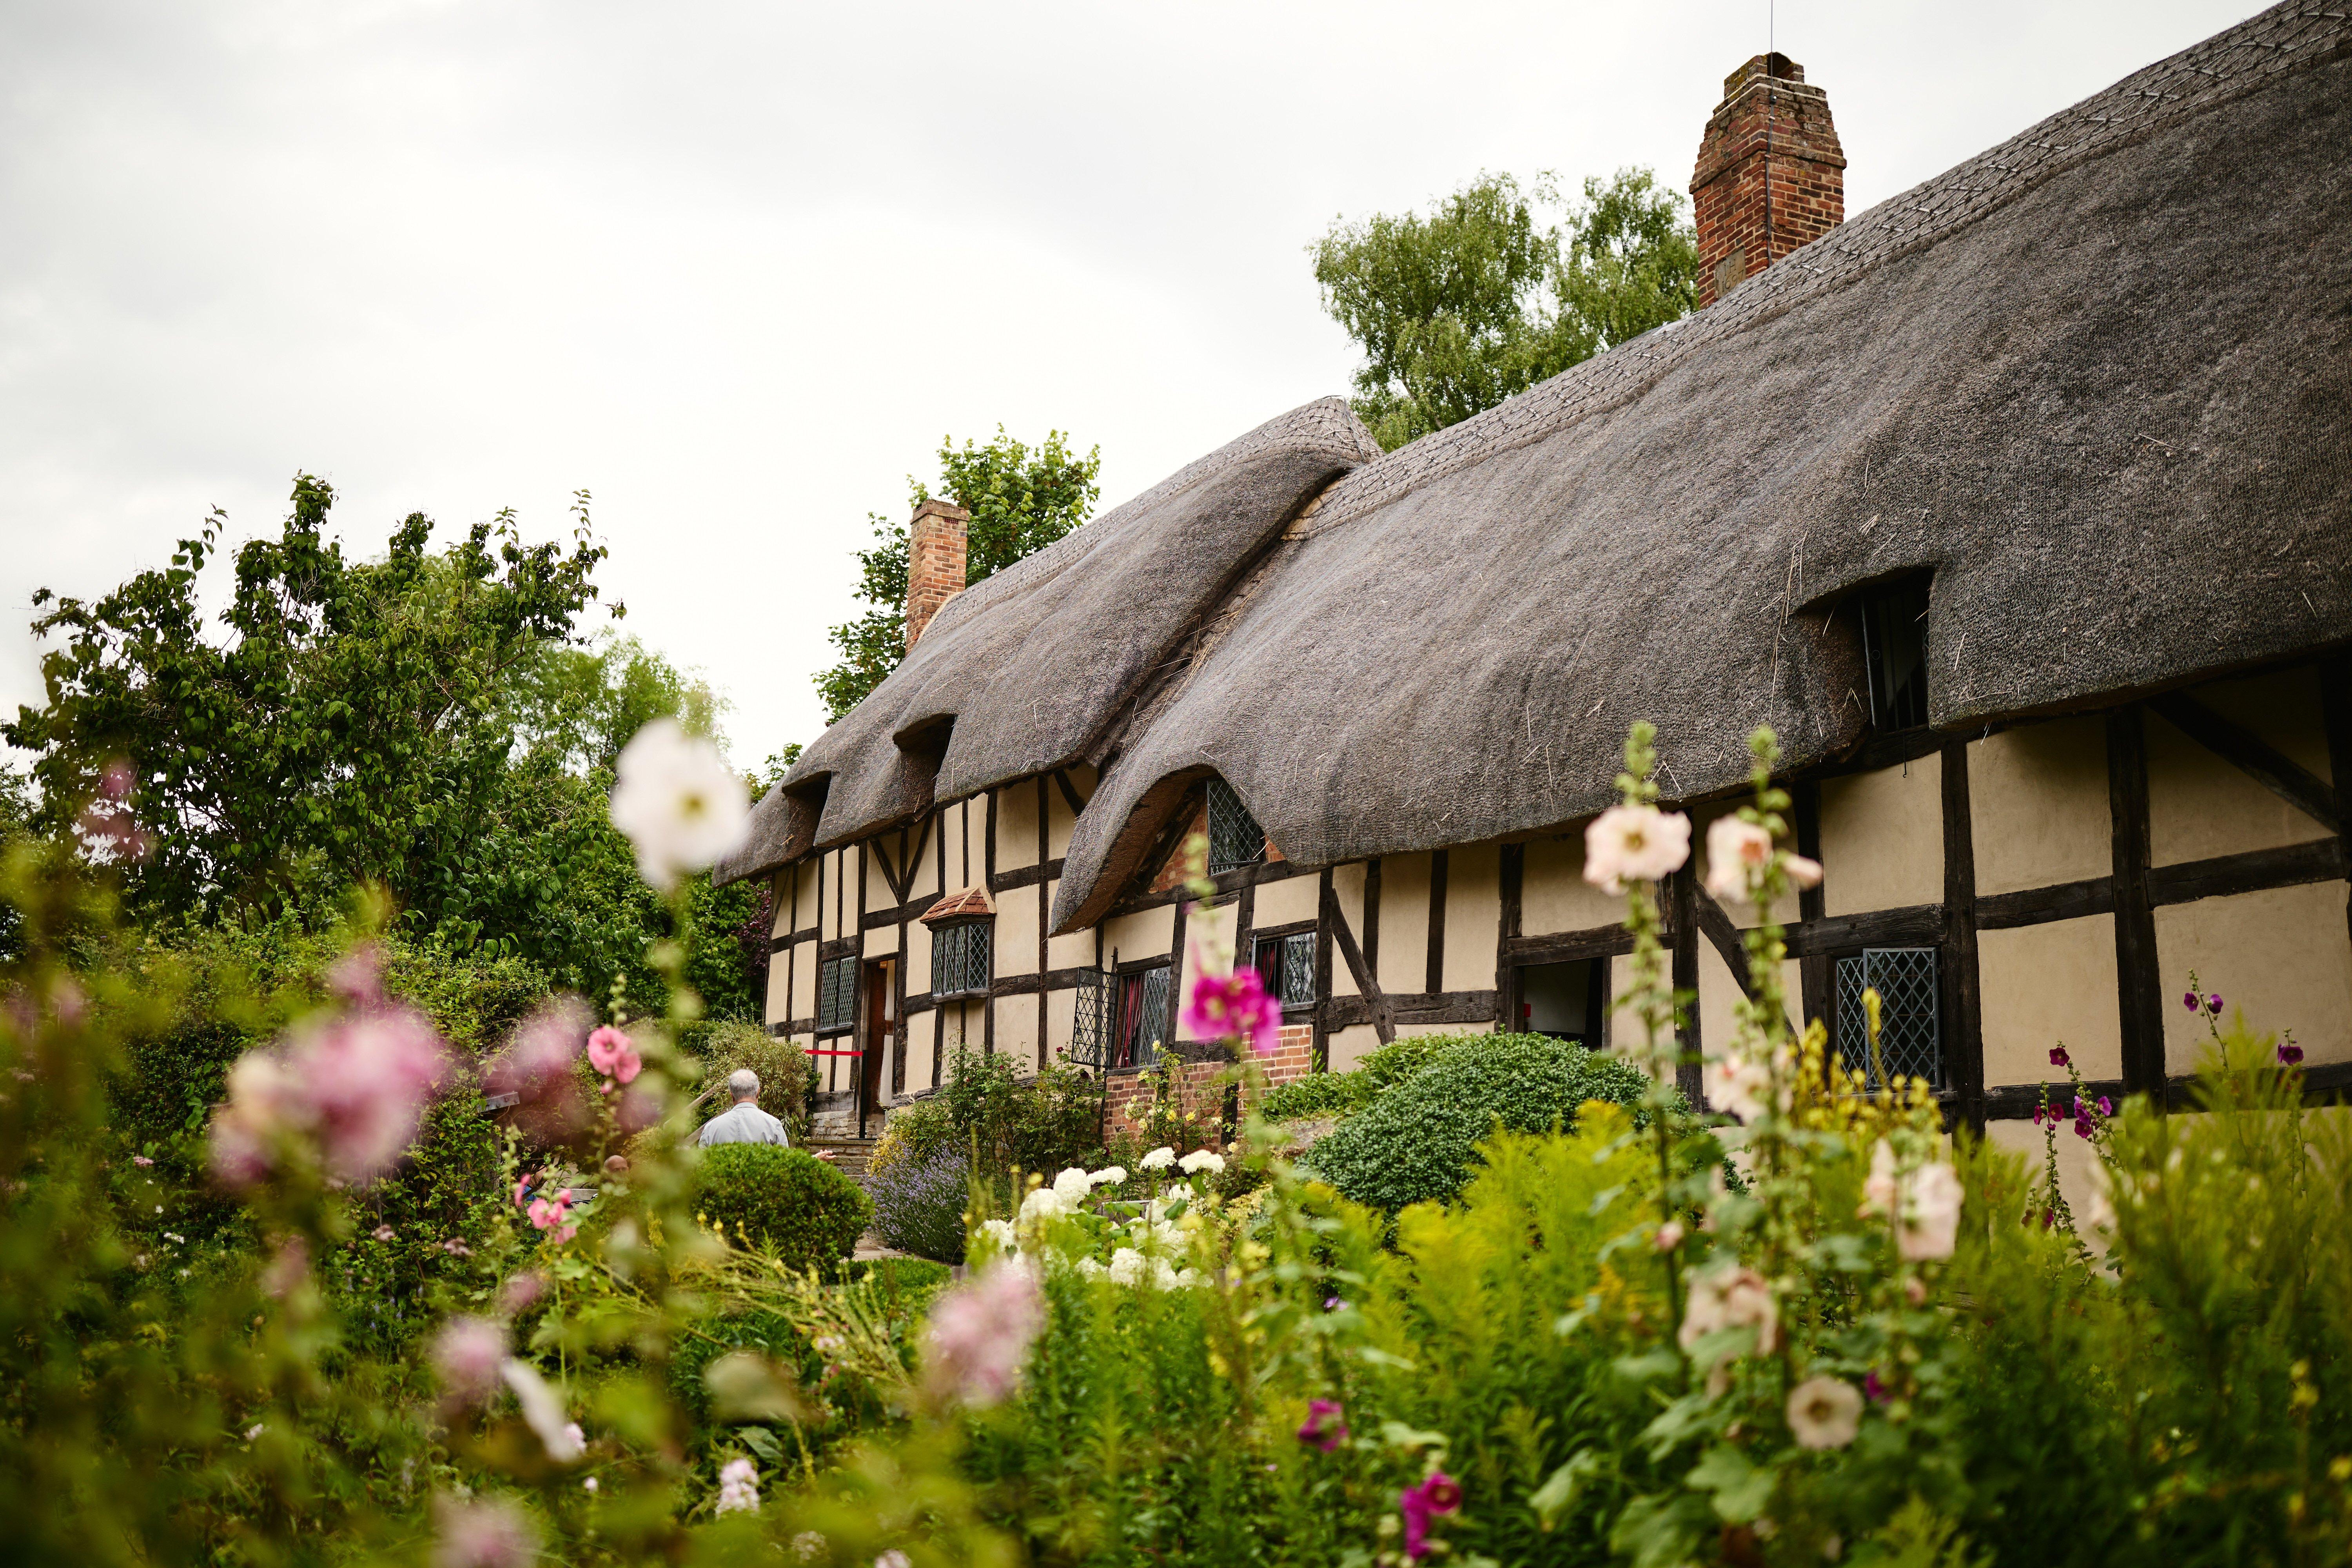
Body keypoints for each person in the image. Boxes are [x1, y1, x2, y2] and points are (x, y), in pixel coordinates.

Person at [697, 1068, 788, 1147]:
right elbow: (785, 1164)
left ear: (732, 1096)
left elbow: (702, 1164)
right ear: (758, 1093)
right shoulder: (774, 1126)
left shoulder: (711, 1128)